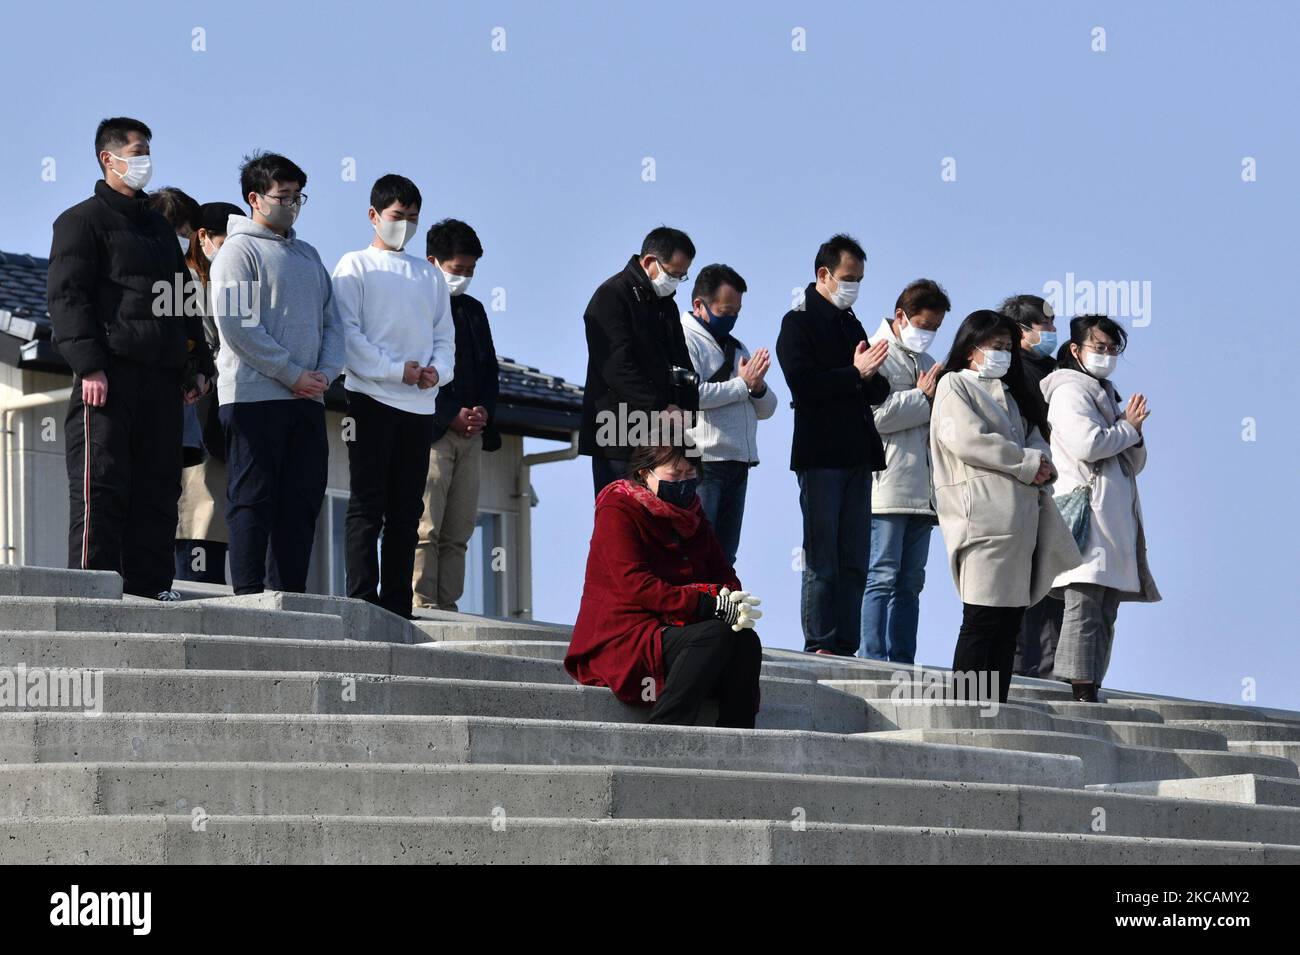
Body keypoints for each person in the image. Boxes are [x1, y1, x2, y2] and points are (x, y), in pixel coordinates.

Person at [46, 116, 214, 600]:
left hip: (161, 381)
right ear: (109, 158)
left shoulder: (160, 231)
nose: (144, 162)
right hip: (109, 377)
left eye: (148, 152)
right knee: (102, 486)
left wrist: (197, 363)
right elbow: (67, 298)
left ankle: (150, 587)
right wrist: (89, 365)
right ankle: (92, 590)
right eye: (137, 152)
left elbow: (181, 297)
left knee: (159, 490)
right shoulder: (80, 221)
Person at [929, 310, 1082, 703]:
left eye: (1008, 348)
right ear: (970, 348)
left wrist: (1041, 459)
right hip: (981, 519)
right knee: (982, 617)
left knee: (1010, 619)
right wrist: (1029, 462)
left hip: (1021, 521)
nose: (1004, 355)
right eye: (995, 347)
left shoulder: (1012, 396)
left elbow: (1035, 437)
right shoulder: (954, 385)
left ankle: (994, 702)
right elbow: (968, 440)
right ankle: (967, 705)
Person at [210, 151, 344, 595]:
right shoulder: (238, 250)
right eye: (282, 195)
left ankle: (289, 594)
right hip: (253, 398)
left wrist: (323, 373)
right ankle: (248, 596)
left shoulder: (308, 255)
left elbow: (333, 323)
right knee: (252, 500)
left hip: (307, 398)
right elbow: (236, 325)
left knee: (301, 503)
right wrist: (291, 373)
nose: (291, 204)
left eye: (298, 197)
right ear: (255, 198)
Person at [564, 443, 763, 727]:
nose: (683, 483)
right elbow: (636, 583)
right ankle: (665, 731)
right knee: (713, 635)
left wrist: (730, 599)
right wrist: (703, 603)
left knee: (745, 640)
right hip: (627, 632)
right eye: (675, 475)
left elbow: (721, 570)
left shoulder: (693, 514)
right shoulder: (618, 507)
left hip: (677, 627)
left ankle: (737, 737)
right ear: (645, 474)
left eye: (689, 474)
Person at [332, 175, 455, 618]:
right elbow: (347, 333)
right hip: (370, 398)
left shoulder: (429, 274)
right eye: (397, 216)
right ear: (374, 216)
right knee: (368, 503)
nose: (404, 225)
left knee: (407, 510)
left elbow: (445, 335)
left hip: (419, 406)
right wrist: (392, 369)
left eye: (413, 218)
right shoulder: (354, 265)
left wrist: (438, 372)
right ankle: (363, 598)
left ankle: (399, 604)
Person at [776, 234, 891, 655]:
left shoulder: (851, 321)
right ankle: (820, 642)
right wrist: (854, 374)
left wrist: (874, 374)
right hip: (821, 456)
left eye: (859, 278)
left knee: (855, 559)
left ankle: (846, 643)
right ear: (823, 275)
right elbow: (803, 386)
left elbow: (873, 388)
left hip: (858, 456)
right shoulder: (798, 321)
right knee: (822, 558)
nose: (853, 285)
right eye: (847, 277)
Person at [1040, 316, 1160, 702]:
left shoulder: (1107, 394)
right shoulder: (1068, 391)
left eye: (1112, 350)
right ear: (1076, 350)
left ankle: (1091, 682)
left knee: (1106, 609)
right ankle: (1075, 684)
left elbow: (1134, 463)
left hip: (1113, 515)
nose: (1106, 356)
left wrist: (1132, 431)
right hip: (1086, 512)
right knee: (1084, 602)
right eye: (1099, 348)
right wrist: (1127, 428)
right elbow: (1088, 444)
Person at [860, 278, 951, 664]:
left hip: (924, 493)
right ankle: (871, 656)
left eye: (935, 328)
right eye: (924, 325)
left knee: (911, 583)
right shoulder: (875, 353)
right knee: (881, 576)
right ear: (901, 316)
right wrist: (924, 397)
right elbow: (874, 417)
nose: (928, 334)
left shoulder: (928, 363)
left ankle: (902, 660)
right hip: (887, 487)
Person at [412, 219, 500, 612]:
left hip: (471, 435)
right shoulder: (413, 304)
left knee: (460, 526)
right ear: (433, 261)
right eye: (457, 269)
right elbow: (415, 368)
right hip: (432, 431)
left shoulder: (474, 311)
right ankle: (419, 599)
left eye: (471, 270)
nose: (464, 277)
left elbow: (490, 370)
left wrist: (483, 412)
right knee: (426, 524)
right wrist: (449, 414)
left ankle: (448, 603)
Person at [580, 227, 700, 496]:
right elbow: (615, 366)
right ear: (649, 262)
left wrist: (686, 411)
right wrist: (660, 407)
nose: (676, 281)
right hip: (618, 431)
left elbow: (680, 361)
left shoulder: (665, 303)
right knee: (622, 517)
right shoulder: (611, 296)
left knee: (666, 522)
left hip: (663, 437)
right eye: (673, 274)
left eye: (683, 276)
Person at [679, 263, 777, 569]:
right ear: (699, 305)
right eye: (725, 310)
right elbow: (689, 396)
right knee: (697, 552)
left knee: (725, 557)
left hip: (738, 462)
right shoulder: (684, 340)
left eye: (737, 311)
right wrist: (741, 385)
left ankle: (720, 615)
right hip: (704, 463)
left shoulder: (736, 347)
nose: (732, 318)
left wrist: (756, 387)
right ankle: (694, 614)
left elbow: (768, 408)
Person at [174, 201, 244, 585]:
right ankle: (195, 598)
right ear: (203, 237)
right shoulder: (186, 282)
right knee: (199, 513)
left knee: (218, 516)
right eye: (227, 240)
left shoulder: (233, 283)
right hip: (197, 414)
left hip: (226, 416)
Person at [1001, 293, 1065, 678]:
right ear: (1021, 331)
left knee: (1051, 579)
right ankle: (1019, 669)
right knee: (1019, 584)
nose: (1051, 332)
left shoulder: (1057, 372)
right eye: (1045, 325)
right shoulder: (1012, 372)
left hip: (1055, 487)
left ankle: (1049, 668)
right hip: (1021, 488)